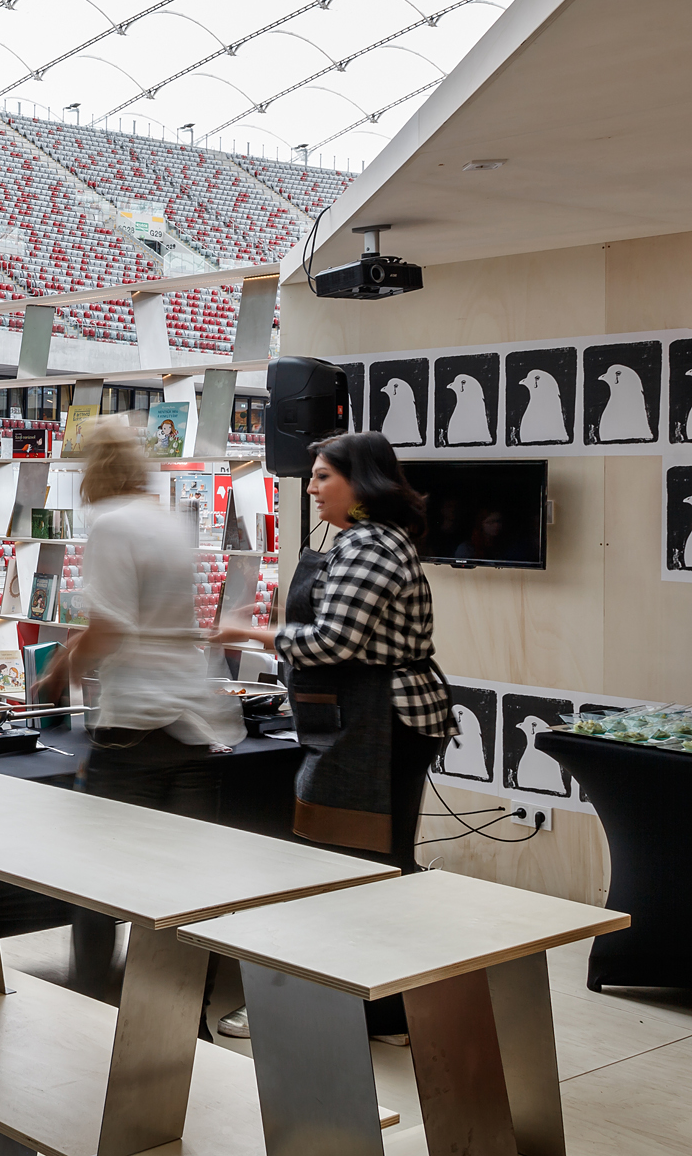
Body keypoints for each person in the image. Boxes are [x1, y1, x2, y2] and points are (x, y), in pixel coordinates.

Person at [210, 430, 456, 1041]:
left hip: (384, 724)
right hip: (365, 721)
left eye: (323, 476)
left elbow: (332, 643)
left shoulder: (370, 547)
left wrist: (253, 634)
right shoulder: (362, 541)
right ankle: (370, 1007)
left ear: (361, 482)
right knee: (362, 862)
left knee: (363, 865)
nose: (313, 487)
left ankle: (372, 1008)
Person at [34, 423, 241, 998]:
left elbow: (112, 625)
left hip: (135, 724)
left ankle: (92, 993)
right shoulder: (168, 523)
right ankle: (175, 998)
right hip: (193, 717)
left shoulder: (111, 524)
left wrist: (61, 673)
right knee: (179, 880)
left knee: (98, 877)